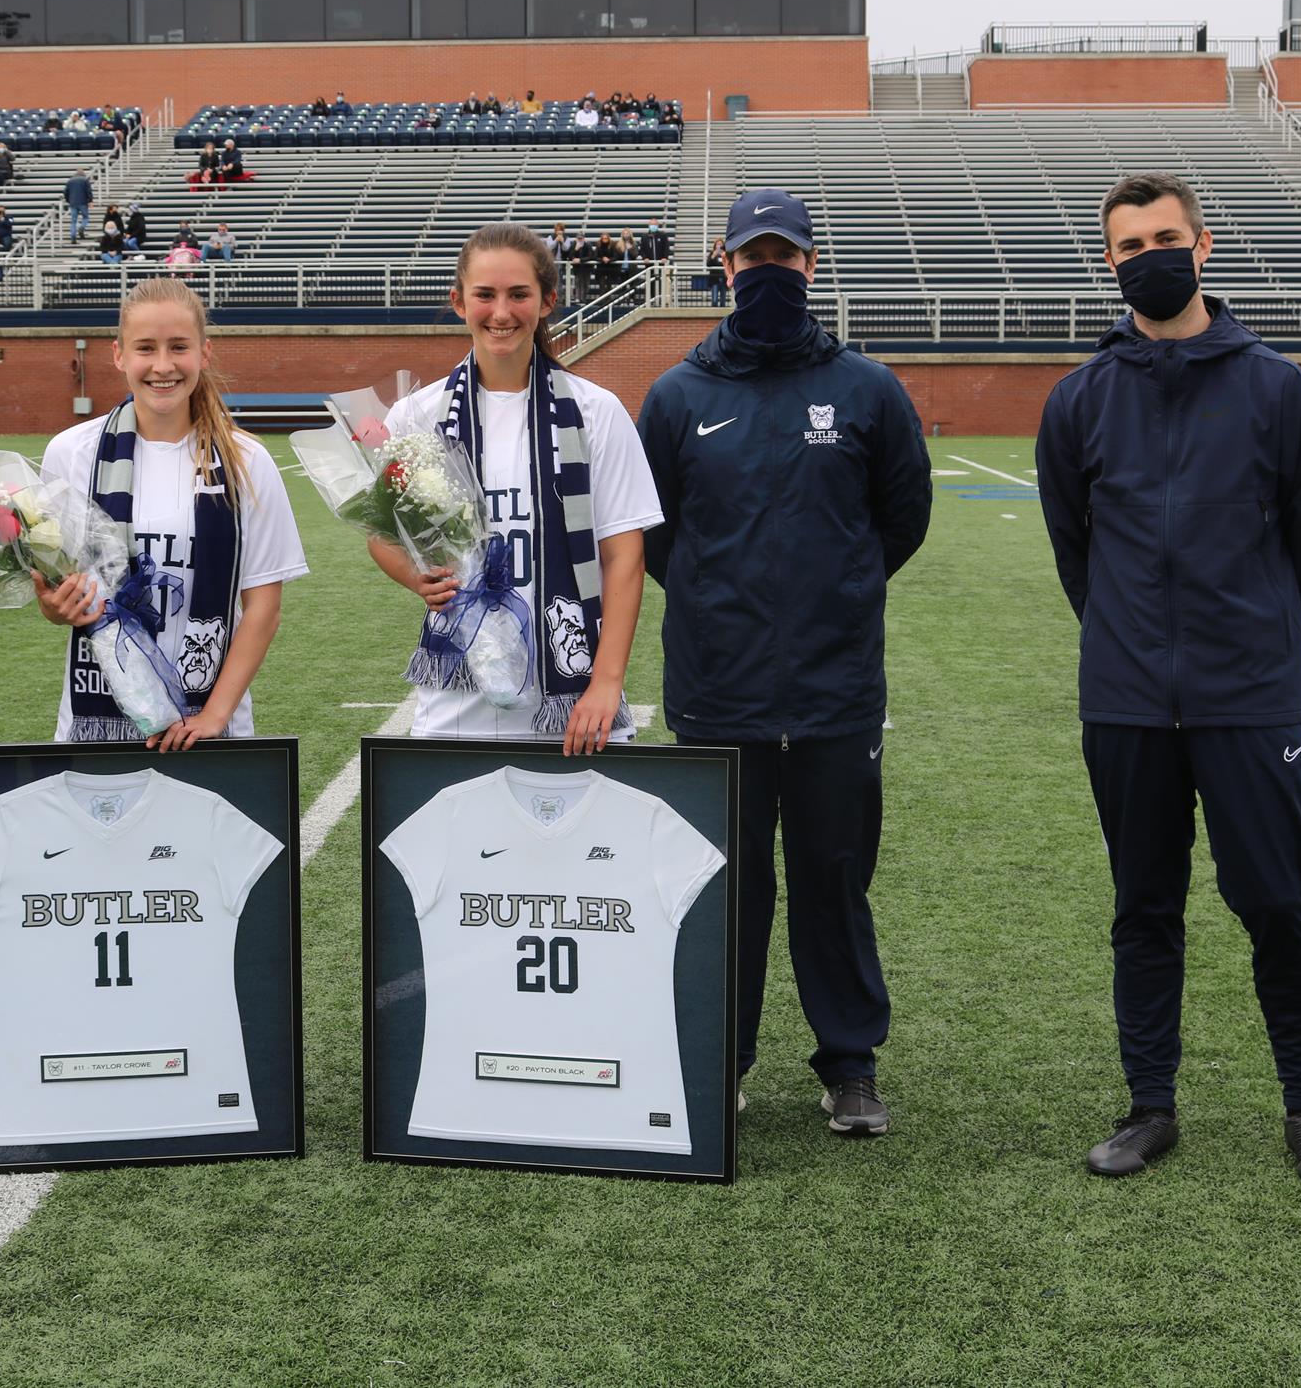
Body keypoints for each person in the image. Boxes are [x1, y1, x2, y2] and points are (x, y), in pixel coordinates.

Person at [1034, 171, 1301, 1191]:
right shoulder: (1079, 398)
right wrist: (1133, 642)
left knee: (1274, 904)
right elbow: (1074, 554)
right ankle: (1148, 1105)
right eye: (1128, 246)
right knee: (1143, 907)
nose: (1147, 257)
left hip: (1247, 699)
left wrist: (1247, 639)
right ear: (1109, 262)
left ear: (1203, 246)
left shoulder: (1276, 389)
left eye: (1163, 238)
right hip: (1124, 702)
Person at [635, 188, 933, 1137]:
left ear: (812, 267)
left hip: (836, 690)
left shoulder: (868, 389)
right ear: (723, 267)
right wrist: (728, 605)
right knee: (727, 884)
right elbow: (656, 536)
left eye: (787, 257)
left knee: (833, 876)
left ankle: (849, 1064)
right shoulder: (678, 395)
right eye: (752, 257)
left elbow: (902, 519)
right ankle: (722, 1057)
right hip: (717, 690)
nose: (770, 271)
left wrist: (834, 593)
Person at [368, 223, 661, 753]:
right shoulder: (417, 414)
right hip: (457, 696)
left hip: (574, 699)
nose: (501, 313)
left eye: (519, 294)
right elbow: (383, 538)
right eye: (485, 295)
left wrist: (607, 683)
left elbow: (623, 557)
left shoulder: (596, 413)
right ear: (459, 302)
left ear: (548, 301)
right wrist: (417, 578)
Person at [33, 277, 308, 750]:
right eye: (146, 348)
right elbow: (56, 593)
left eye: (178, 347)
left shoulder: (247, 461)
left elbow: (263, 608)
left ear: (205, 353)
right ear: (119, 355)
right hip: (100, 722)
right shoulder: (71, 453)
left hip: (208, 725)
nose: (163, 366)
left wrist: (215, 714)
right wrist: (56, 609)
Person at [63, 169, 93, 242]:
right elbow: (88, 191)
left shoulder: (70, 181)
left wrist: (68, 200)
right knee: (85, 217)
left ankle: (73, 237)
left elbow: (65, 192)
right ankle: (82, 227)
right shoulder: (85, 180)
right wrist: (90, 200)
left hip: (73, 203)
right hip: (83, 202)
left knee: (73, 221)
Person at [704, 236, 728, 307]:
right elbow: (708, 264)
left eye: (721, 244)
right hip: (714, 279)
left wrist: (724, 255)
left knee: (723, 300)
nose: (719, 246)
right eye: (718, 244)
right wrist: (713, 255)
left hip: (723, 278)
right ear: (715, 245)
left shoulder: (725, 254)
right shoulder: (712, 253)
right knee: (714, 300)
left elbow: (728, 264)